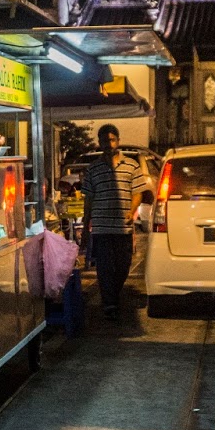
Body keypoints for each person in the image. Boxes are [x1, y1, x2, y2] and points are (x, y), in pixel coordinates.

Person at [82, 123, 152, 320]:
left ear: (118, 141)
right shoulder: (93, 169)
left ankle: (113, 294)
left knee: (123, 265)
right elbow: (88, 199)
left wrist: (131, 210)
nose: (109, 144)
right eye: (105, 140)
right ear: (100, 143)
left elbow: (138, 192)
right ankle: (109, 303)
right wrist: (87, 226)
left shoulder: (131, 165)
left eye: (112, 140)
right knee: (104, 266)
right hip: (102, 225)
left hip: (123, 226)